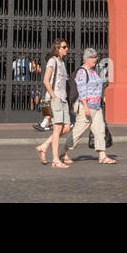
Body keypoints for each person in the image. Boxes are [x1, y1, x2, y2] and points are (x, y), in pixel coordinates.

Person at [65, 48, 116, 164]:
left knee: (100, 130)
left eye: (95, 57)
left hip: (97, 106)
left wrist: (102, 97)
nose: (95, 59)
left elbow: (98, 87)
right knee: (78, 131)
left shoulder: (94, 71)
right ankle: (64, 152)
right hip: (85, 106)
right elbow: (82, 91)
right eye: (92, 57)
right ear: (86, 59)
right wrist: (86, 107)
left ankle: (102, 155)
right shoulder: (82, 72)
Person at [36, 39, 73, 169]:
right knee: (57, 130)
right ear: (57, 49)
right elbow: (46, 80)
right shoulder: (53, 61)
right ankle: (56, 160)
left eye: (67, 46)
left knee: (67, 127)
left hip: (63, 99)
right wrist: (53, 95)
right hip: (56, 98)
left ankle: (43, 146)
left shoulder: (62, 62)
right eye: (64, 46)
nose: (67, 48)